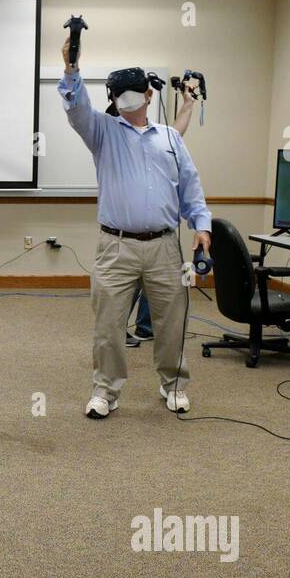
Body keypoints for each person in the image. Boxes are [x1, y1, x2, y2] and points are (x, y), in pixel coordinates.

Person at [60, 37, 212, 419]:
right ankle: (105, 391)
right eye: (120, 96)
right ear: (113, 99)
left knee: (172, 321)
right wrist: (71, 68)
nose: (127, 101)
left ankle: (173, 384)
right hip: (117, 246)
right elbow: (77, 110)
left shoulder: (171, 139)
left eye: (134, 94)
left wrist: (202, 226)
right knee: (109, 323)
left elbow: (190, 186)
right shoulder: (103, 132)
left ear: (148, 94)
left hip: (164, 246)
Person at [127, 78, 202, 348]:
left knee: (155, 281)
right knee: (131, 281)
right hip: (126, 234)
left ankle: (146, 327)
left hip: (159, 234)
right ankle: (121, 328)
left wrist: (188, 103)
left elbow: (174, 134)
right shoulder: (114, 132)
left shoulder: (161, 137)